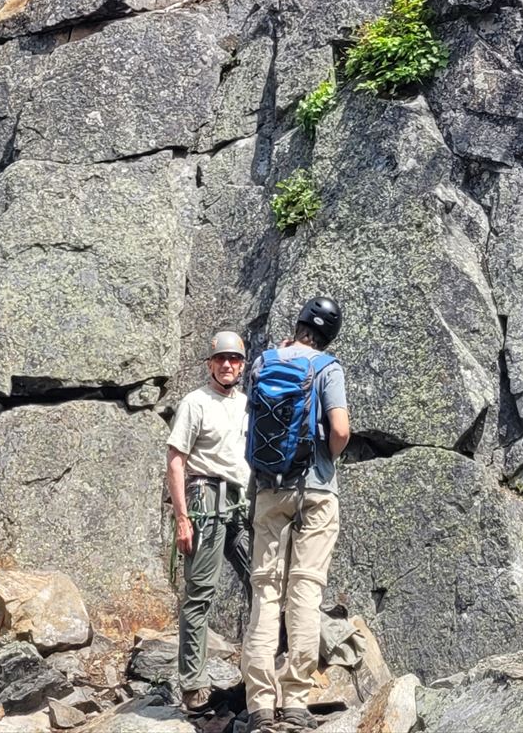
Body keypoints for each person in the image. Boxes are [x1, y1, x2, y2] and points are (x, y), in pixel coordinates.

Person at [240, 296, 351, 733]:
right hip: (316, 490)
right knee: (305, 591)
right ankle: (296, 702)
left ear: (300, 323)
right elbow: (339, 430)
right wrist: (329, 456)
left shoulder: (263, 362)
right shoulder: (328, 367)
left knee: (265, 592)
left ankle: (260, 705)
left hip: (269, 489)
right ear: (329, 334)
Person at [165, 329, 253, 716]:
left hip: (240, 500)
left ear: (243, 365)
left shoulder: (247, 404)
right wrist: (182, 517)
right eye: (222, 359)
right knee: (199, 594)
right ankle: (193, 686)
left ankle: (262, 671)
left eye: (235, 359)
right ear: (210, 364)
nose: (228, 365)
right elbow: (175, 459)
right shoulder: (195, 402)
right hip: (205, 499)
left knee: (261, 581)